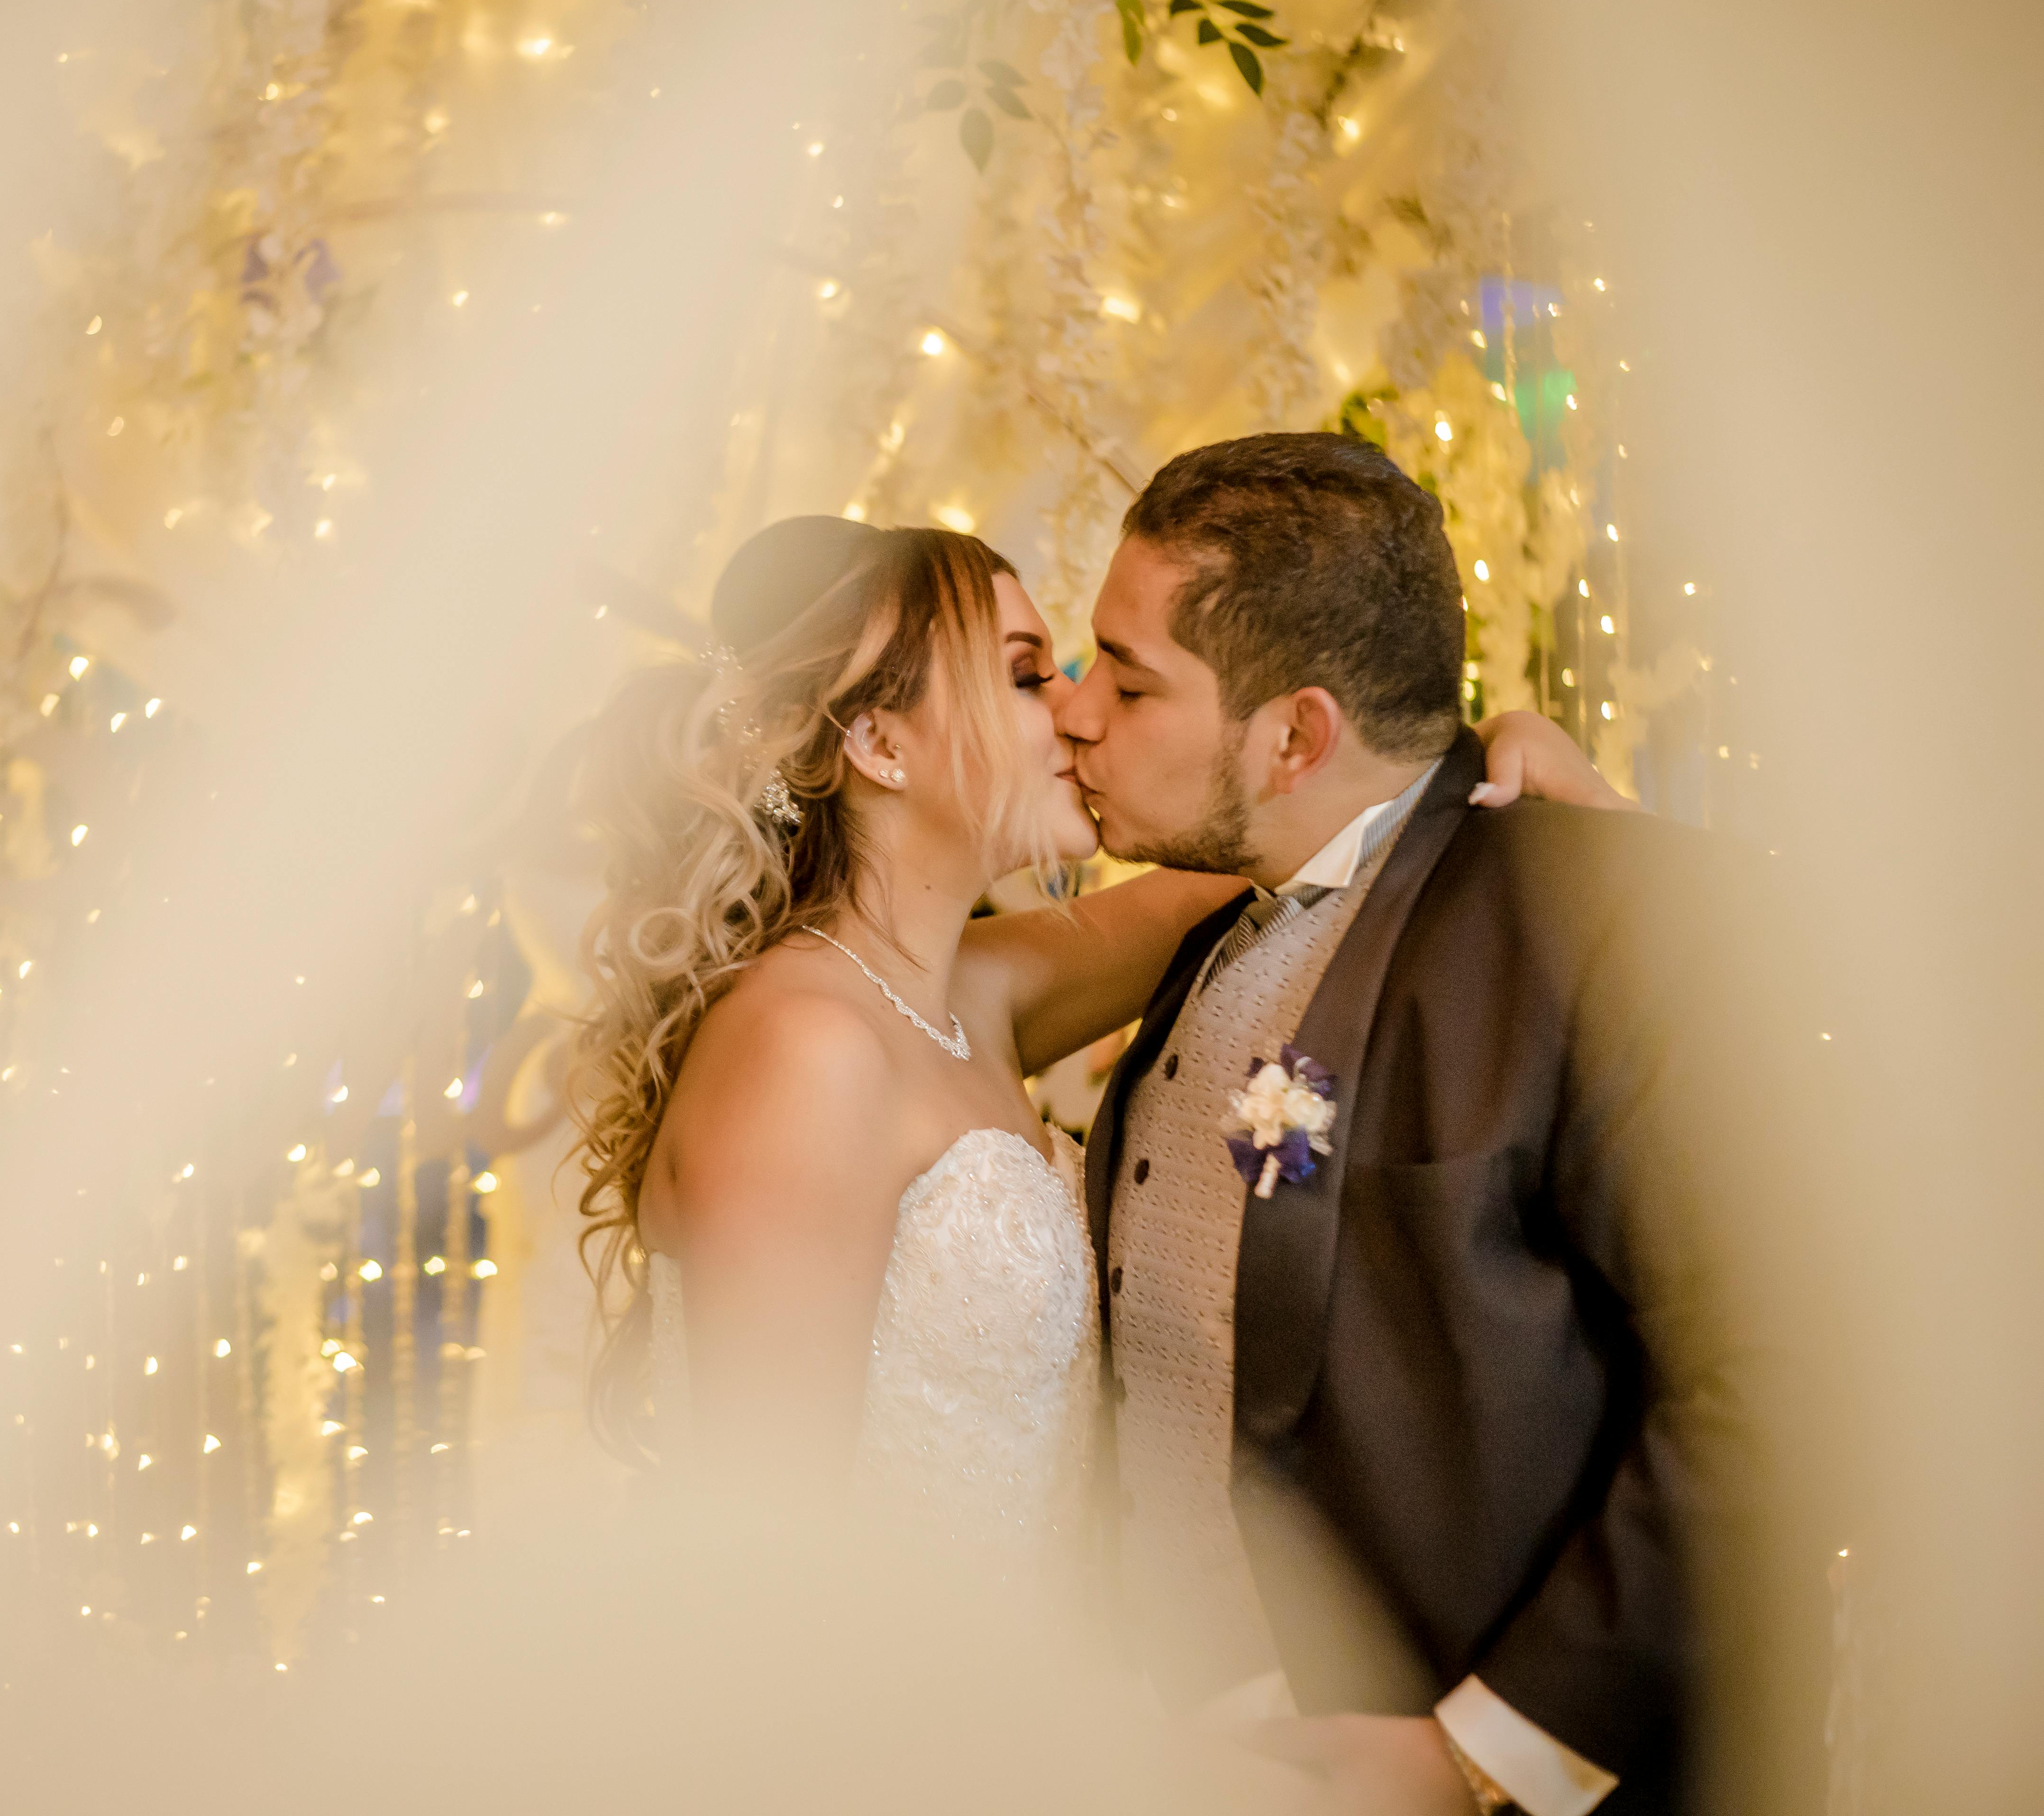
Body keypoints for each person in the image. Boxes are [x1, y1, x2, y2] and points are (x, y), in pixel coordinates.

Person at [566, 513, 1622, 1584]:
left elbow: (1284, 825)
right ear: (880, 744)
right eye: (1029, 676)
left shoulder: (970, 991)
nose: (1076, 709)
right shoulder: (808, 1050)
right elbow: (764, 1555)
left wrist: (1467, 751)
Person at [1059, 432, 1761, 1816]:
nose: (1079, 715)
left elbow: (1781, 1387)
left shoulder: (1594, 914)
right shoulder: (1214, 920)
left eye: (1128, 682)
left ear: (1296, 734)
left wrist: (1482, 1754)